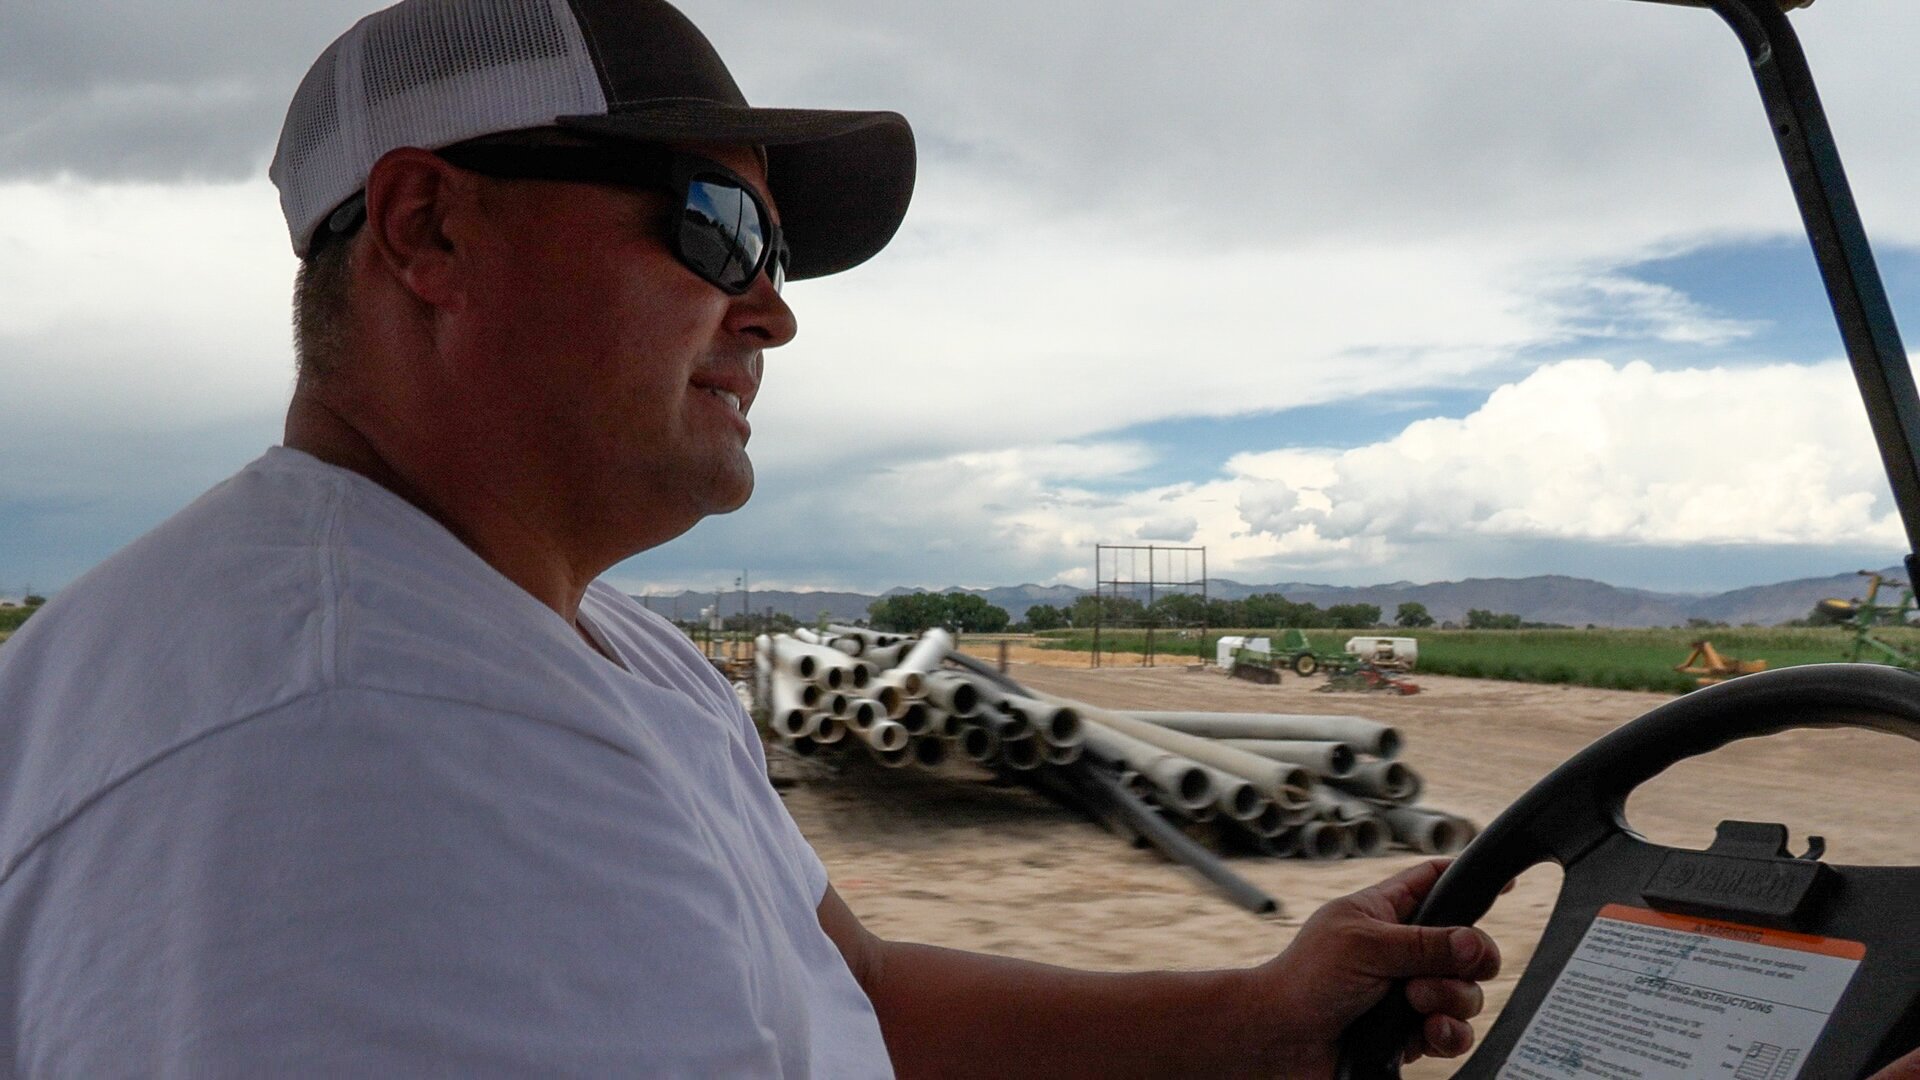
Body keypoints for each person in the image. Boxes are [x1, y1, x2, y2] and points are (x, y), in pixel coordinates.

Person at [0, 0, 1500, 1073]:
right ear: (428, 231)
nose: (773, 311)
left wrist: (1255, 1018)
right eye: (718, 226)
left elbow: (854, 992)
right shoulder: (366, 744)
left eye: (773, 252)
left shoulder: (575, 639)